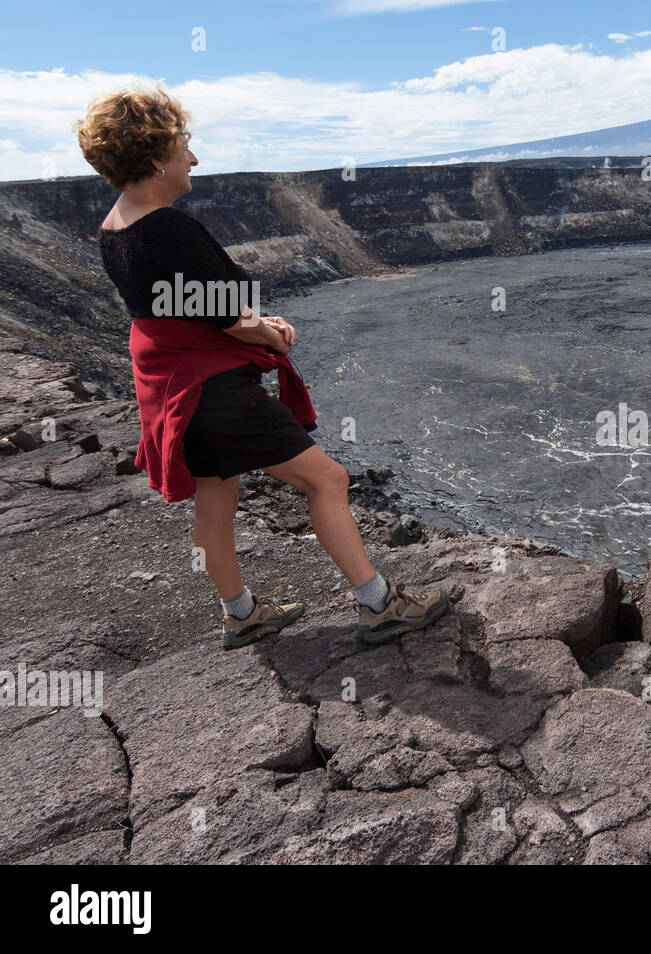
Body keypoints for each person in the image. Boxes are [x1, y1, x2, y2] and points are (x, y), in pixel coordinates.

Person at [76, 83, 447, 650]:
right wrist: (269, 335)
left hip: (172, 390)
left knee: (216, 499)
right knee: (328, 480)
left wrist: (250, 321)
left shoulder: (114, 228)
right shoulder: (169, 227)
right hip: (212, 390)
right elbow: (226, 319)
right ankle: (380, 606)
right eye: (184, 147)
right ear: (155, 157)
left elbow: (181, 305)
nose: (193, 158)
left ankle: (242, 615)